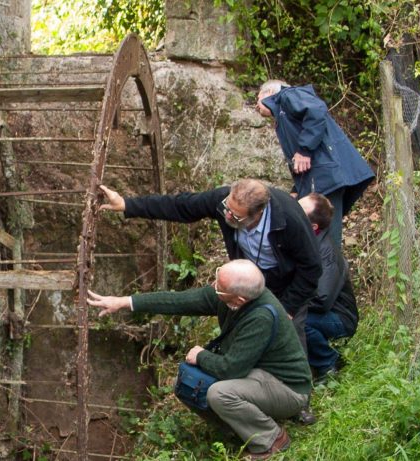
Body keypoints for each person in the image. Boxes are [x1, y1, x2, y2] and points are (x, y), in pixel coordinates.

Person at [87, 259, 312, 460]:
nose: (214, 287)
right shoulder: (229, 298)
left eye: (219, 287)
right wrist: (125, 301)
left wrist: (201, 355)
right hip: (259, 375)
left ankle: (271, 439)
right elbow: (179, 301)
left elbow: (230, 369)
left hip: (289, 390)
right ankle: (240, 429)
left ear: (239, 299)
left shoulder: (260, 317)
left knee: (219, 393)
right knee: (192, 382)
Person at [99, 179, 321, 352]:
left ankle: (299, 402)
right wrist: (128, 204)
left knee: (289, 333)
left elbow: (311, 267)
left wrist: (290, 307)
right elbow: (181, 206)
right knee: (243, 326)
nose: (227, 214)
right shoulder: (224, 202)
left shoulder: (289, 218)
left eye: (235, 216)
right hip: (245, 277)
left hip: (286, 281)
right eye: (227, 207)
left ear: (258, 214)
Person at [256, 80, 375, 248]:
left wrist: (304, 150)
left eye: (258, 97)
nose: (256, 104)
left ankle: (332, 273)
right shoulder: (284, 114)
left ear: (269, 92)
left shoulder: (287, 95)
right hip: (321, 177)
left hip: (326, 178)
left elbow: (316, 110)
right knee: (318, 238)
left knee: (327, 240)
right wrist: (297, 189)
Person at [298, 193, 359, 382]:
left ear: (313, 227)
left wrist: (290, 304)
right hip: (323, 313)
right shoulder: (306, 243)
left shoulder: (326, 254)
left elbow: (322, 300)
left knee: (298, 321)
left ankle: (329, 363)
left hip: (340, 318)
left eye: (299, 211)